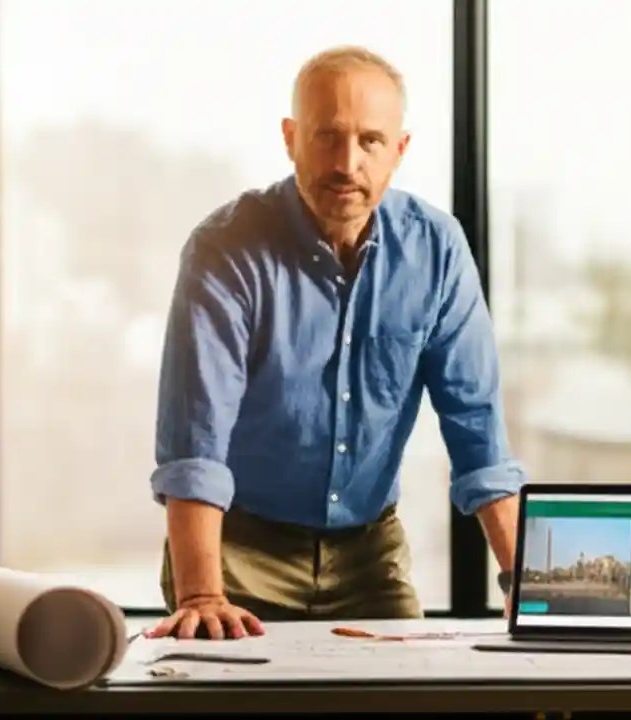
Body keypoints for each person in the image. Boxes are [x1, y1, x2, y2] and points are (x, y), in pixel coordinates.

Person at [143, 45, 527, 640]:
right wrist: (201, 592)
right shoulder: (225, 249)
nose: (347, 162)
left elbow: (478, 434)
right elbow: (195, 444)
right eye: (328, 137)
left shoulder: (437, 249)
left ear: (399, 151)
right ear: (291, 138)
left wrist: (525, 588)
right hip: (241, 550)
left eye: (371, 140)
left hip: (369, 552)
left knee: (412, 695)